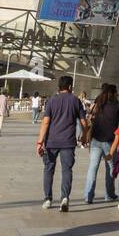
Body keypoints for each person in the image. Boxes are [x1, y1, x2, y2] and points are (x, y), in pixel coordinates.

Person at [37, 76, 84, 211]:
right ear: (70, 87)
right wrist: (85, 135)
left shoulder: (52, 101)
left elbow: (45, 122)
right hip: (68, 142)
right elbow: (84, 122)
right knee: (67, 170)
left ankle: (48, 199)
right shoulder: (76, 101)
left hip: (51, 142)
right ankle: (64, 197)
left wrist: (40, 142)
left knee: (48, 169)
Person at [83, 83, 119, 204]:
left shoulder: (99, 104)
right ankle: (109, 194)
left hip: (95, 140)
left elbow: (91, 117)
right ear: (114, 94)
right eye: (117, 93)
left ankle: (88, 196)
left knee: (92, 168)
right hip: (109, 142)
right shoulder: (118, 107)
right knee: (110, 168)